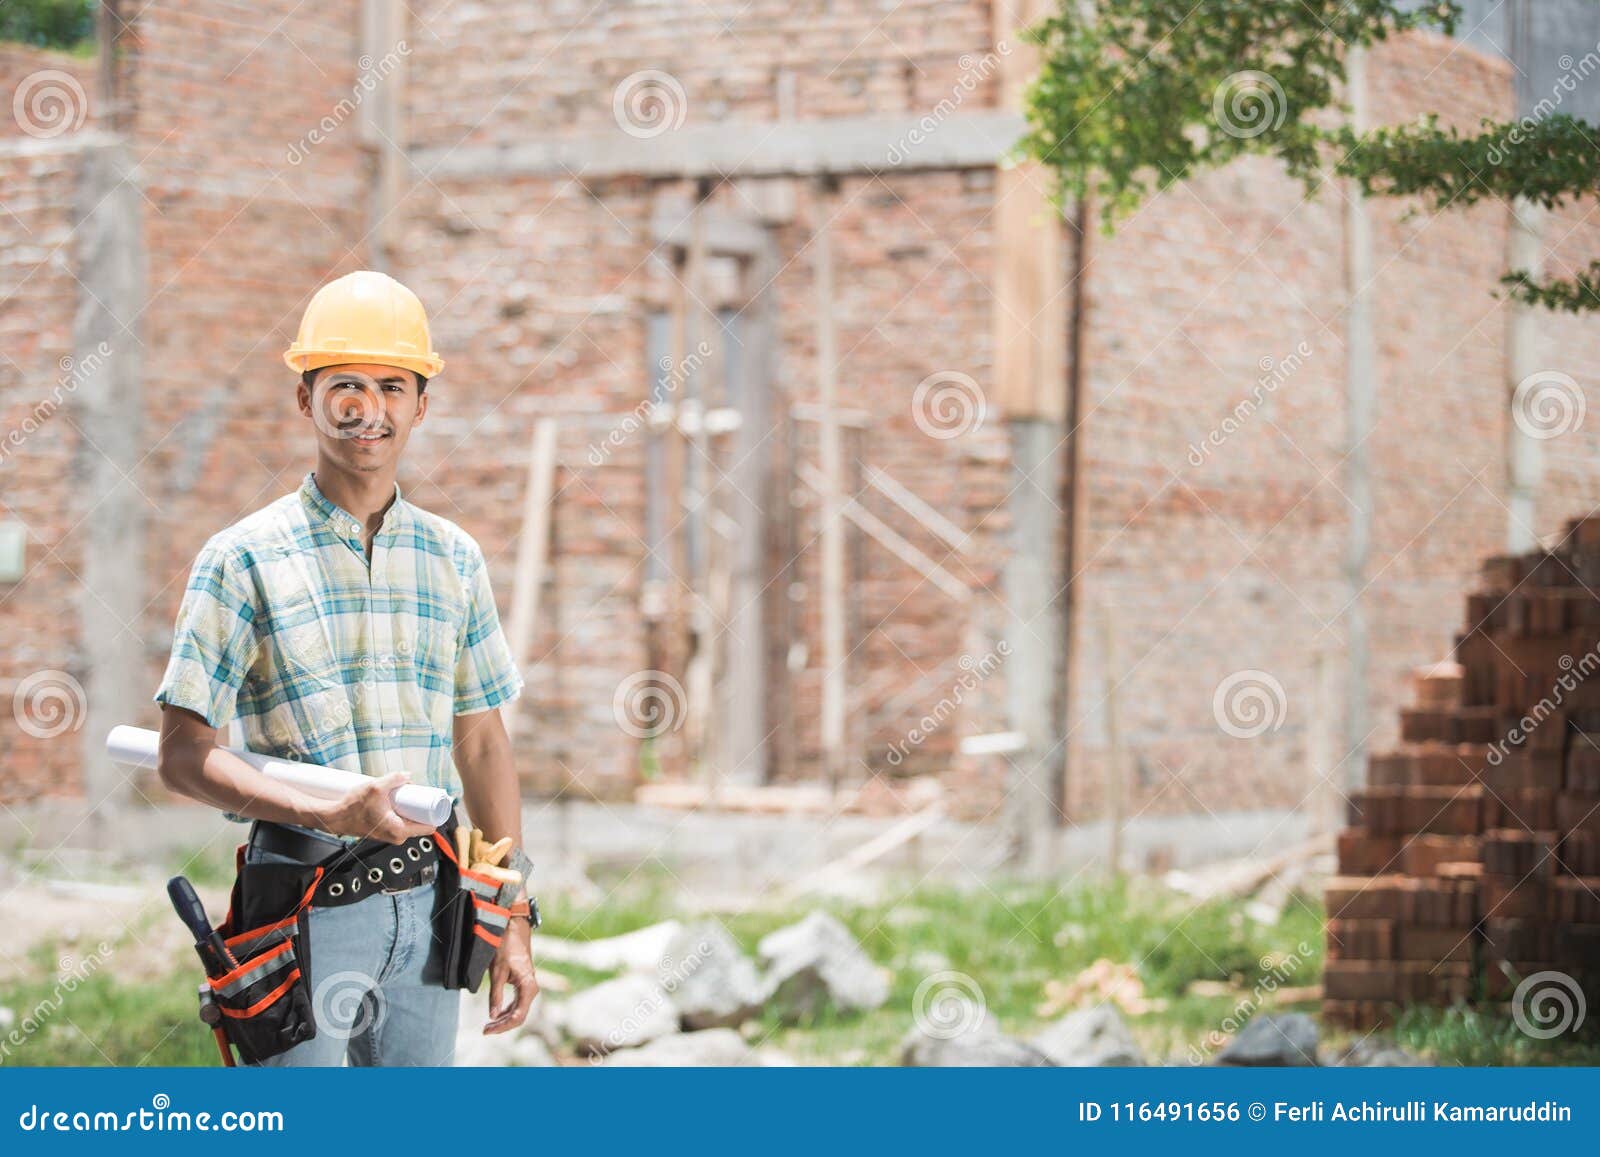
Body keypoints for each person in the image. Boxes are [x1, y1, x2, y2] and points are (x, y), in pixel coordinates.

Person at [153, 269, 538, 1065]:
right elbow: (182, 756)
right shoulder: (242, 560)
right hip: (302, 907)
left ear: (421, 404)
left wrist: (514, 917)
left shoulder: (453, 558)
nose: (371, 409)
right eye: (346, 385)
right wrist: (324, 811)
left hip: (432, 905)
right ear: (307, 399)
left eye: (393, 386)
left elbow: (484, 747)